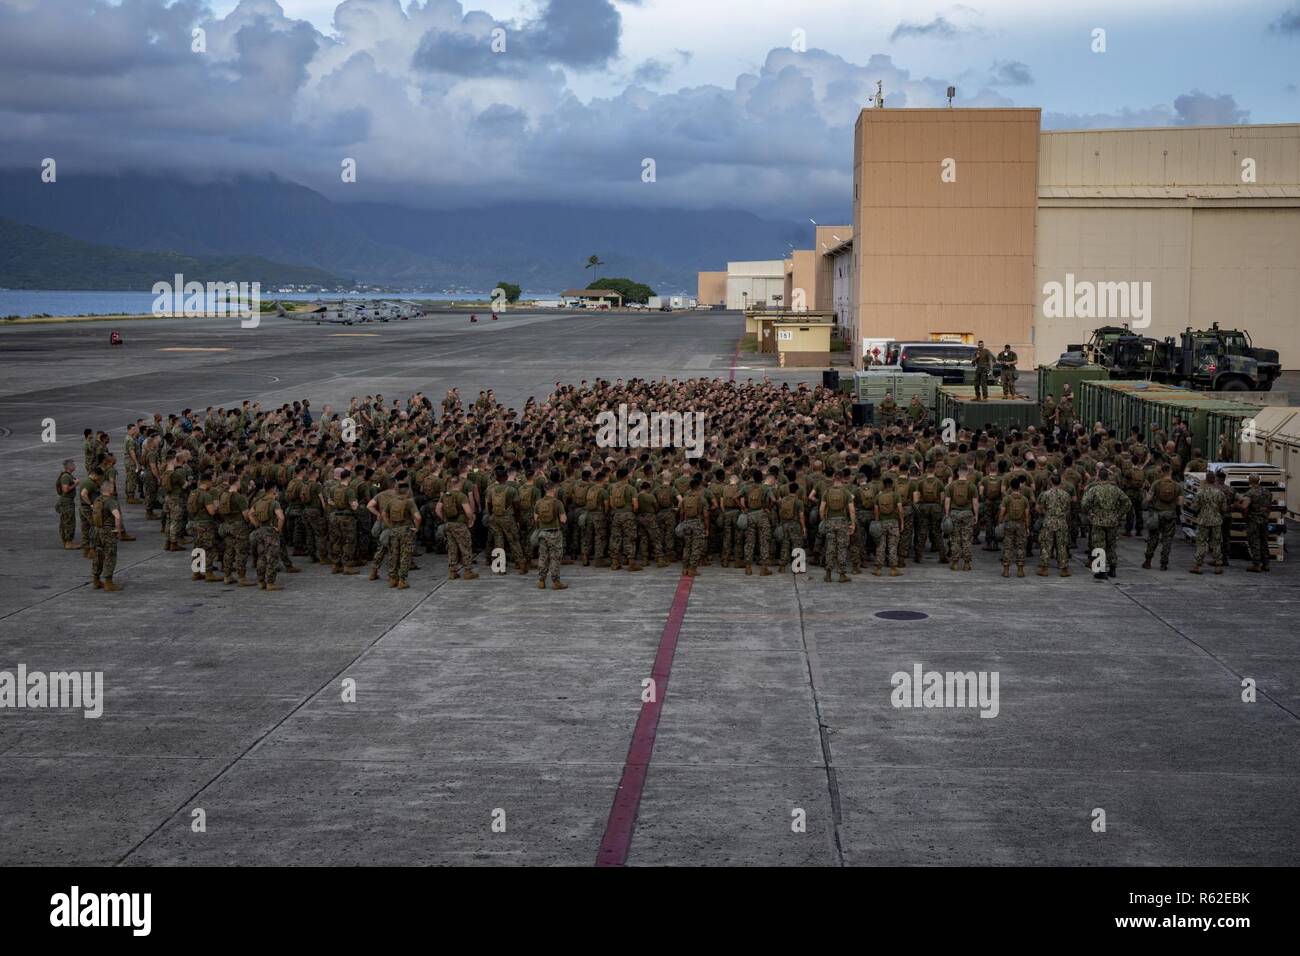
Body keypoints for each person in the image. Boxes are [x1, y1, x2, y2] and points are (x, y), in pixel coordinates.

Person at [1080, 466, 1131, 580]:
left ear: (1098, 477)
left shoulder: (1094, 489)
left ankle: (1100, 570)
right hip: (1112, 520)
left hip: (1098, 521)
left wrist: (1090, 512)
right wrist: (1119, 514)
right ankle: (1112, 569)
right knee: (1111, 545)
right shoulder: (1115, 489)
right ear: (1107, 477)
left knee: (1098, 546)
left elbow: (1084, 503)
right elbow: (1127, 503)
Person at [1142, 463, 1181, 571]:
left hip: (1157, 514)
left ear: (1162, 472)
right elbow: (1180, 503)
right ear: (1171, 471)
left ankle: (1148, 561)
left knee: (1153, 538)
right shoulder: (1177, 485)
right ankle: (1163, 563)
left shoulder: (1156, 483)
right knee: (1167, 539)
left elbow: (1149, 499)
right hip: (1170, 514)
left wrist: (1146, 496)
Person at [1189, 471, 1228, 575]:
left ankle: (1197, 565)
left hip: (1203, 520)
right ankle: (1218, 566)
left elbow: (1194, 507)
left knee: (1201, 542)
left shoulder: (1200, 492)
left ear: (1206, 480)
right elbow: (1224, 509)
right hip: (1216, 520)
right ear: (1214, 480)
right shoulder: (1220, 493)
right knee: (1217, 542)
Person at [534, 478, 568, 590]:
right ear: (554, 489)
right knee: (555, 557)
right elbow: (563, 520)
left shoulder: (538, 503)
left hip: (542, 533)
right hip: (554, 533)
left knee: (543, 557)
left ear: (544, 489)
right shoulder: (557, 503)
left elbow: (536, 518)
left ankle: (541, 581)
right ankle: (556, 582)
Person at [90, 478, 123, 592]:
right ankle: (108, 583)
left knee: (98, 555)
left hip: (97, 531)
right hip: (108, 532)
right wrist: (118, 529)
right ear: (110, 489)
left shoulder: (97, 500)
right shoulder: (110, 501)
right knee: (110, 556)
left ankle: (96, 580)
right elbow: (117, 515)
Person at [1036, 473, 1072, 576]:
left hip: (1048, 521)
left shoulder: (1045, 494)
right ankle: (1064, 569)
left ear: (1051, 482)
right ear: (1060, 481)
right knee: (1062, 545)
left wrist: (1045, 513)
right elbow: (1068, 509)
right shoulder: (1066, 494)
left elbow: (1038, 508)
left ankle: (1044, 568)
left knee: (1046, 545)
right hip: (1061, 521)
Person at [1239, 473, 1272, 573]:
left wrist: (1242, 511)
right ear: (1258, 480)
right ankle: (1266, 564)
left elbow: (1244, 506)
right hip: (1264, 520)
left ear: (1250, 481)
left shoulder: (1250, 493)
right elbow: (1269, 505)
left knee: (1255, 542)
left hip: (1253, 521)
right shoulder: (1267, 492)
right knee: (1264, 542)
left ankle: (1256, 564)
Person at [999, 475, 1031, 577]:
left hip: (1009, 524)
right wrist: (1027, 527)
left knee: (1008, 547)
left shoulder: (1007, 498)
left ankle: (1006, 570)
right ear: (1019, 487)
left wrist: (1000, 522)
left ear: (1011, 487)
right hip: (1021, 524)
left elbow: (1002, 511)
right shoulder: (1025, 499)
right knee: (1021, 547)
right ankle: (1020, 570)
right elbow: (1027, 515)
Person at [56, 459, 78, 550]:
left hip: (67, 501)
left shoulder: (67, 475)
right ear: (69, 466)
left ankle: (68, 541)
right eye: (73, 464)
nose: (74, 466)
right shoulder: (66, 476)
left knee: (67, 521)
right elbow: (65, 489)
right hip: (66, 502)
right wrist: (75, 484)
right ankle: (68, 543)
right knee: (69, 522)